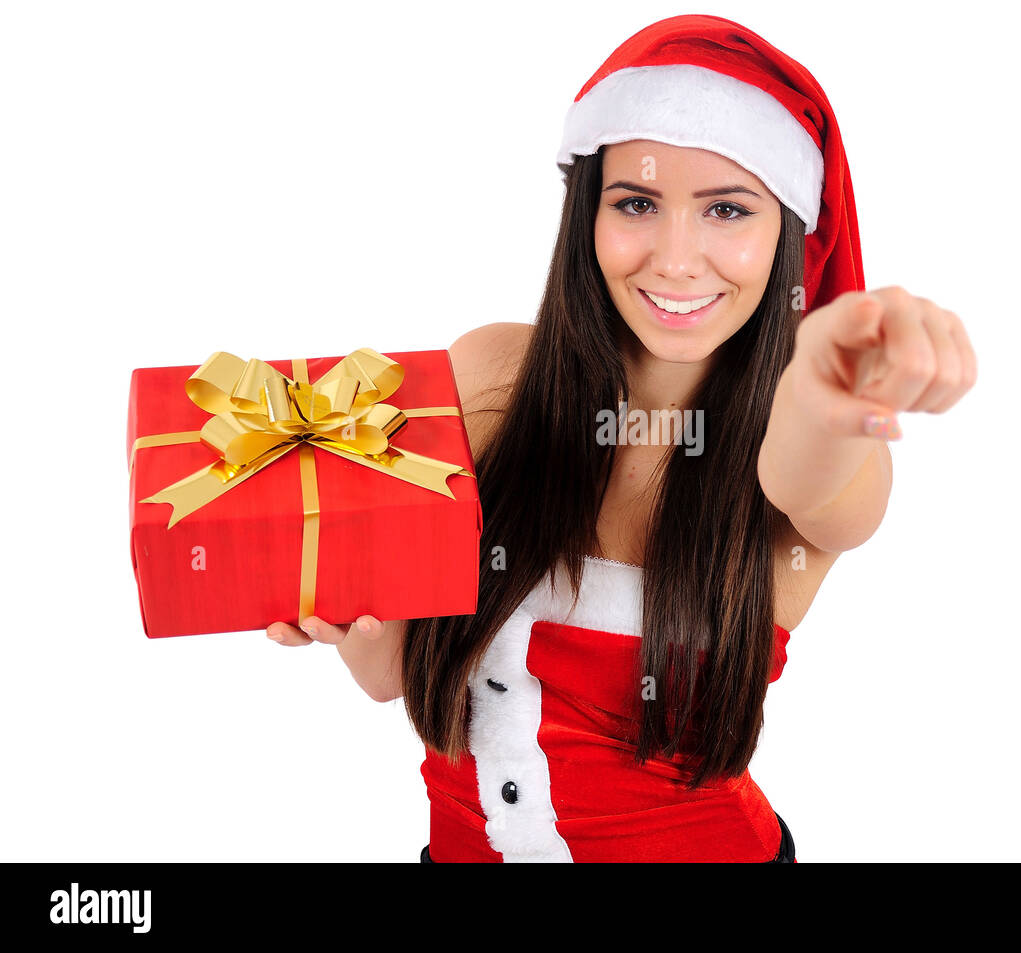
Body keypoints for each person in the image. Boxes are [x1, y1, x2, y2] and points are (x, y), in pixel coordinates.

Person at [266, 13, 976, 862]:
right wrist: (351, 613)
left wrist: (827, 376)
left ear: (787, 233)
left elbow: (818, 478)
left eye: (726, 210)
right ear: (587, 216)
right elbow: (399, 681)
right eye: (636, 202)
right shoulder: (484, 376)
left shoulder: (805, 442)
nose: (676, 260)